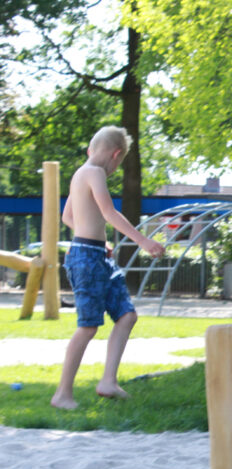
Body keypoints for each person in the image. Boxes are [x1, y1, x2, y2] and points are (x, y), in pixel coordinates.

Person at [50, 126, 165, 410]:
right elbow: (109, 212)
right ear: (116, 155)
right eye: (119, 164)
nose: (115, 169)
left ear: (91, 150)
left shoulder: (80, 173)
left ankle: (108, 382)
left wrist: (97, 242)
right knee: (88, 327)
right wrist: (143, 240)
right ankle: (62, 394)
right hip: (86, 260)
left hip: (95, 255)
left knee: (126, 316)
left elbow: (68, 216)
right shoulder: (95, 173)